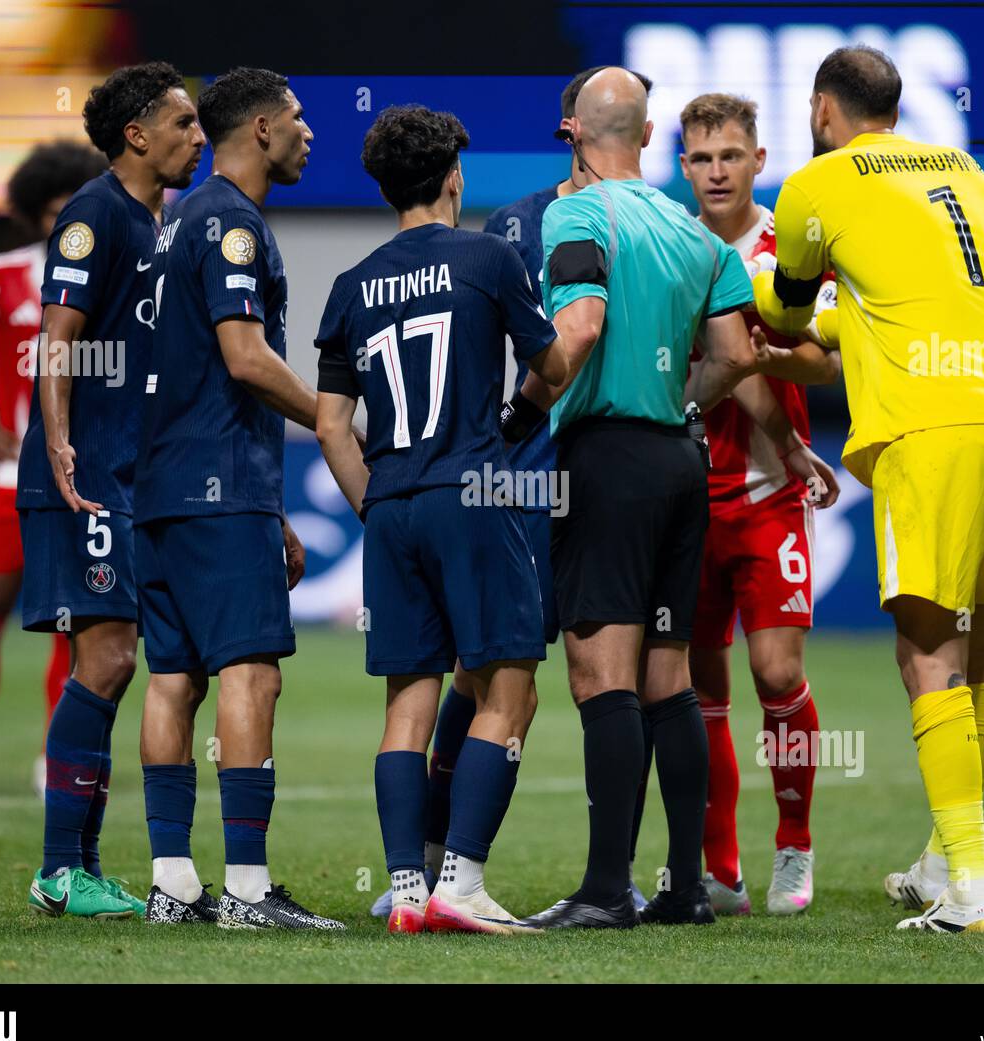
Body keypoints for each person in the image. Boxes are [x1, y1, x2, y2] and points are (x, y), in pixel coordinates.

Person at [506, 68, 837, 929]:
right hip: (682, 465)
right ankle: (688, 887)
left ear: (572, 133)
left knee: (598, 677)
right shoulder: (702, 243)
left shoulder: (574, 214)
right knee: (671, 682)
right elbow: (735, 356)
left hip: (606, 461)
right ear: (651, 138)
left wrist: (521, 413)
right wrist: (681, 401)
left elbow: (576, 329)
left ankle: (607, 888)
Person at [753, 46, 984, 933]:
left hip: (934, 427)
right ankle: (940, 861)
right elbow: (940, 295)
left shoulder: (820, 181)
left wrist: (784, 314)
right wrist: (852, 318)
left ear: (823, 110)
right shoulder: (964, 169)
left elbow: (783, 310)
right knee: (976, 650)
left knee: (925, 656)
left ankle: (970, 888)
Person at [368, 64, 656, 919]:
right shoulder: (516, 227)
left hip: (600, 472)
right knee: (488, 677)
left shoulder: (642, 217)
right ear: (571, 127)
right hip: (513, 484)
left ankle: (621, 877)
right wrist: (510, 429)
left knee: (618, 674)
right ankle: (440, 867)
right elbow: (541, 351)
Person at [317, 104, 568, 935]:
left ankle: (406, 891)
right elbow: (553, 365)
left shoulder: (352, 286)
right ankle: (460, 882)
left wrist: (374, 503)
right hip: (475, 492)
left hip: (393, 503)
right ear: (454, 176)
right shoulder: (491, 258)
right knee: (511, 688)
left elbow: (328, 422)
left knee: (407, 705)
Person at [136, 67, 342, 931]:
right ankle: (250, 892)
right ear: (259, 129)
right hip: (216, 488)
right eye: (296, 119)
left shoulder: (176, 218)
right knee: (250, 671)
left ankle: (174, 884)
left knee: (174, 679)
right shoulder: (229, 221)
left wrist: (275, 507)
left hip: (165, 488)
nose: (309, 133)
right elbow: (246, 360)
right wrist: (339, 424)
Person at [22, 62, 205, 920]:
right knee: (108, 658)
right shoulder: (95, 214)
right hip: (86, 472)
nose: (198, 138)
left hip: (129, 473)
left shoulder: (155, 220)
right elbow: (55, 340)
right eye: (183, 125)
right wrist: (60, 444)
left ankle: (81, 869)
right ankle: (61, 869)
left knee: (112, 662)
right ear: (137, 135)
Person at [677, 92, 841, 916]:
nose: (716, 171)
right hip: (681, 497)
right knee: (700, 688)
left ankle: (795, 848)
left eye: (730, 156)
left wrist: (757, 352)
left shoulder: (790, 251)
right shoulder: (666, 244)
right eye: (702, 158)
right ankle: (721, 868)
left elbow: (826, 359)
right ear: (682, 167)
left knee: (777, 672)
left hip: (770, 495)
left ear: (757, 161)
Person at [0, 141, 107, 799]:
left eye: (77, 211)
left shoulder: (112, 275)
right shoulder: (1, 275)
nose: (67, 223)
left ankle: (49, 760)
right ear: (35, 213)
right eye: (55, 211)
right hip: (10, 481)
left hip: (86, 479)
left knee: (73, 624)